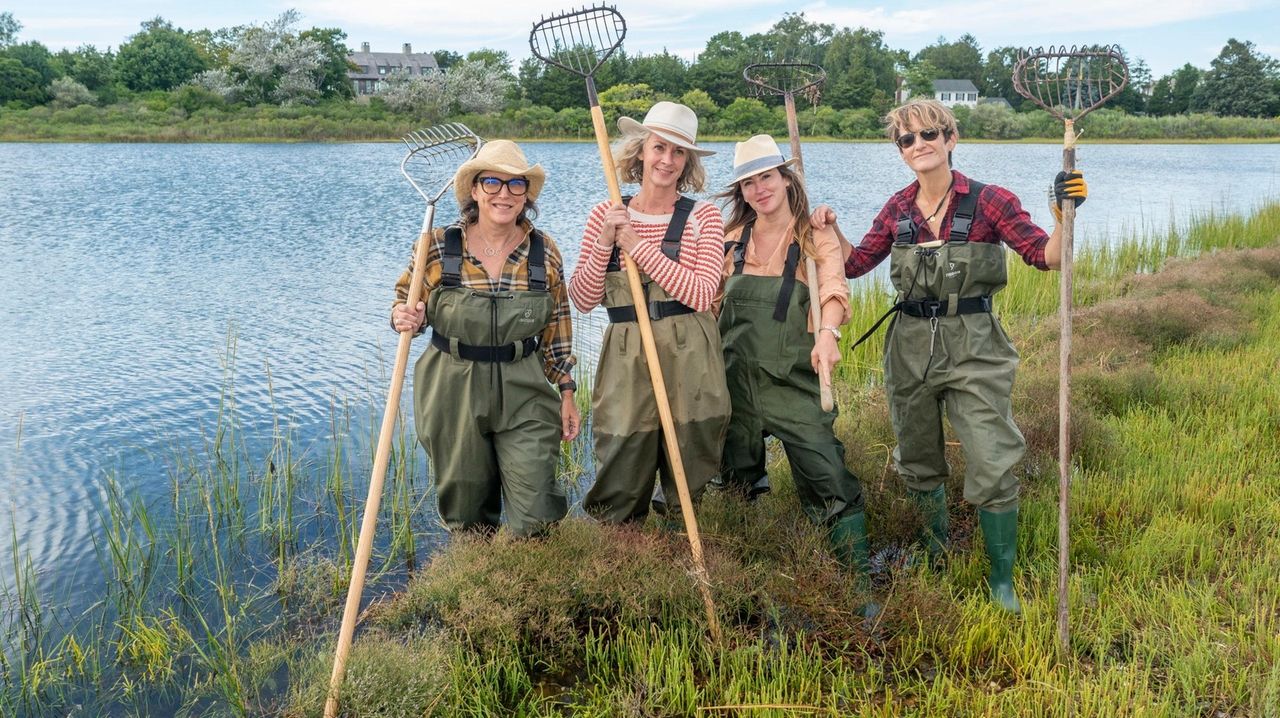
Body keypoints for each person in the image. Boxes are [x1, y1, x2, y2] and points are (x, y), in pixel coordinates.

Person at [815, 99, 1088, 614]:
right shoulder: (896, 209)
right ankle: (933, 552)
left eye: (929, 135)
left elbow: (1047, 257)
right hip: (909, 346)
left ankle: (1001, 581)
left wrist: (1066, 213)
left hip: (976, 344)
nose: (919, 145)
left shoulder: (991, 201)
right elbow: (852, 265)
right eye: (907, 140)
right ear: (899, 151)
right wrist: (827, 230)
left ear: (951, 139)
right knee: (917, 456)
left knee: (991, 454)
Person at [390, 140, 579, 538]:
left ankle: (533, 579)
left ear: (526, 195)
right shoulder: (438, 246)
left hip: (524, 384)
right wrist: (404, 316)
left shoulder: (545, 252)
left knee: (537, 511)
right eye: (492, 182)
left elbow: (558, 326)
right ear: (474, 190)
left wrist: (566, 391)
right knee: (468, 511)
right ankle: (478, 582)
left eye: (515, 185)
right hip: (452, 385)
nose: (504, 194)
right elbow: (405, 306)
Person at [716, 134, 871, 586]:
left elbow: (836, 289)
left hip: (795, 379)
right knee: (736, 474)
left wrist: (828, 334)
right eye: (748, 182)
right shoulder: (729, 239)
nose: (758, 189)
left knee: (826, 469)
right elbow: (706, 303)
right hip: (735, 379)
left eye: (766, 177)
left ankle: (855, 580)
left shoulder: (812, 232)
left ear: (785, 179)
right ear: (740, 191)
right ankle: (748, 566)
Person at [568, 101, 731, 525]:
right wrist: (607, 241)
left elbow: (700, 293)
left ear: (688, 162)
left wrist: (637, 247)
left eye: (679, 153)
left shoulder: (704, 216)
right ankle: (623, 544)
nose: (667, 160)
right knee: (623, 446)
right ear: (641, 150)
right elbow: (583, 299)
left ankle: (683, 533)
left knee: (691, 445)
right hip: (626, 352)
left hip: (690, 351)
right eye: (660, 147)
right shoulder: (605, 214)